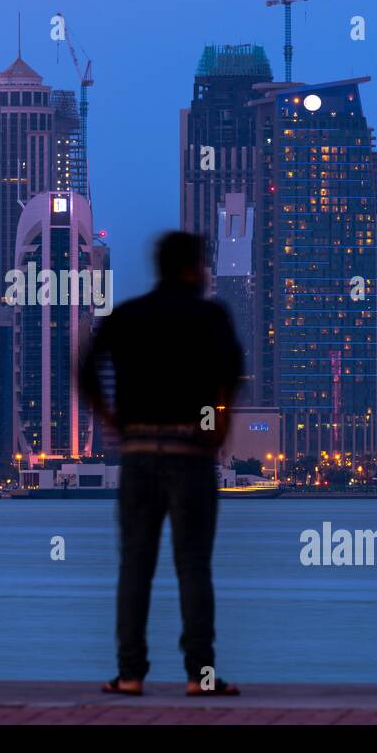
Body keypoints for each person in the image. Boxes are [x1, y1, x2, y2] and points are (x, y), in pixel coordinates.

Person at [78, 231, 244, 697]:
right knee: (193, 565)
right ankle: (200, 675)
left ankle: (130, 674)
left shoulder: (129, 315)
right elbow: (230, 379)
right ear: (192, 268)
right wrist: (218, 425)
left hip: (136, 454)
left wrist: (111, 418)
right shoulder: (210, 316)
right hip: (189, 453)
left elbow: (86, 368)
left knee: (135, 564)